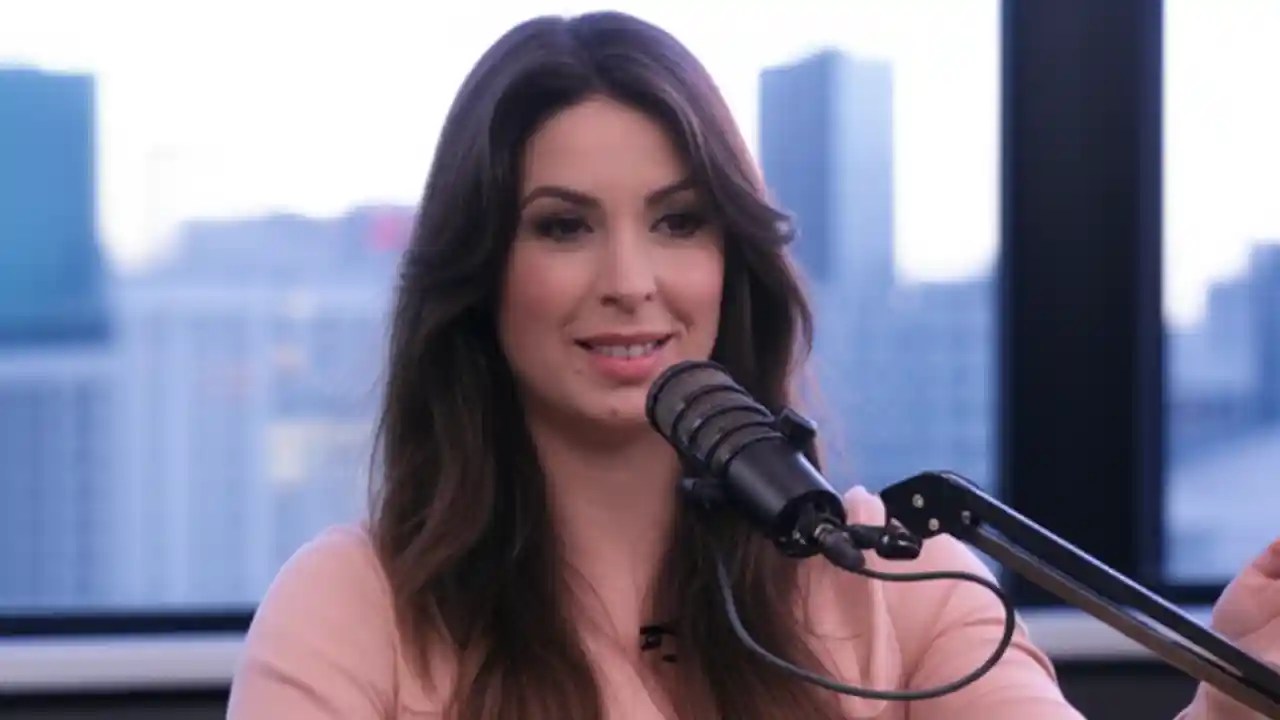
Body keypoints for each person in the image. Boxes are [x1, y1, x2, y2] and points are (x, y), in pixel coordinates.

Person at [226, 10, 1280, 720]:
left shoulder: (899, 582)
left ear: (729, 262)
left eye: (678, 222)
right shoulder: (353, 608)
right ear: (478, 274)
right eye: (561, 227)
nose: (629, 279)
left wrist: (1226, 701)